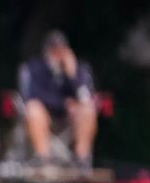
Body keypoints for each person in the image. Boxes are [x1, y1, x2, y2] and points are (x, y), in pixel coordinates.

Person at [20, 30, 98, 168]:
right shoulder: (35, 68)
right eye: (54, 50)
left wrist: (73, 75)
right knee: (33, 109)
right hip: (46, 116)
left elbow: (86, 97)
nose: (58, 54)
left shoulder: (80, 69)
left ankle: (82, 159)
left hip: (71, 119)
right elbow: (32, 95)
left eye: (61, 50)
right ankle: (43, 158)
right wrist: (63, 104)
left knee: (88, 109)